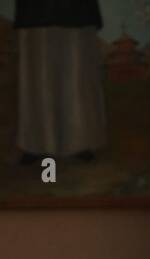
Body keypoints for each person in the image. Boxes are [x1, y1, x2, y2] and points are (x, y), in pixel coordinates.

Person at [14, 0, 107, 163]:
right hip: (35, 14)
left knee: (77, 77)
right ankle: (35, 144)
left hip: (76, 13)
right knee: (38, 78)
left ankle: (80, 142)